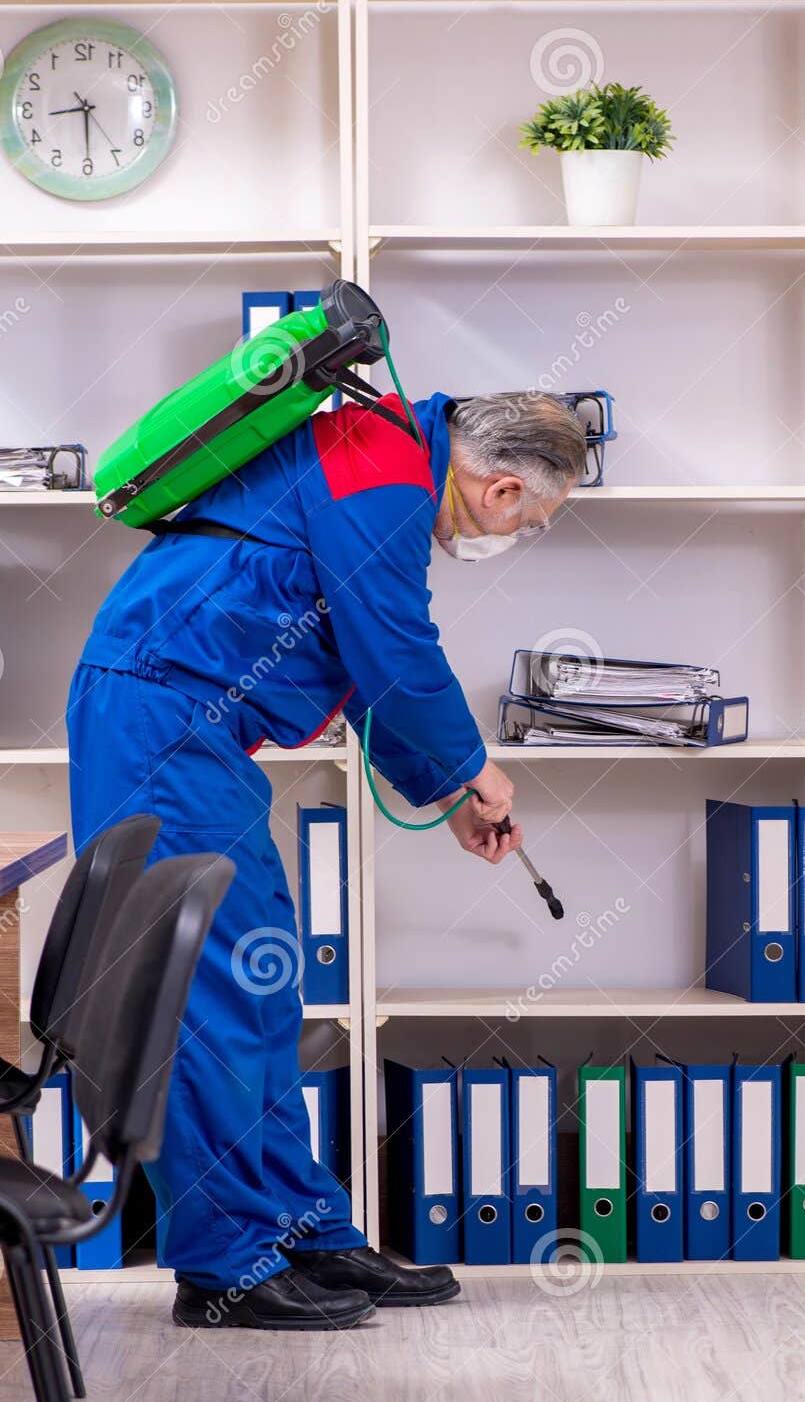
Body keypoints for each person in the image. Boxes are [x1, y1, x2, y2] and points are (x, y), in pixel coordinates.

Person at [67, 388, 587, 1330]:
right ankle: (225, 1265)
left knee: (264, 977)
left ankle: (304, 1231)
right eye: (532, 521)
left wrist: (447, 794)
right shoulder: (381, 468)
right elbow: (396, 650)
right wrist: (475, 771)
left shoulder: (379, 457)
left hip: (188, 723)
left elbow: (359, 660)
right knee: (214, 990)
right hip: (154, 715)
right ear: (503, 489)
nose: (519, 533)